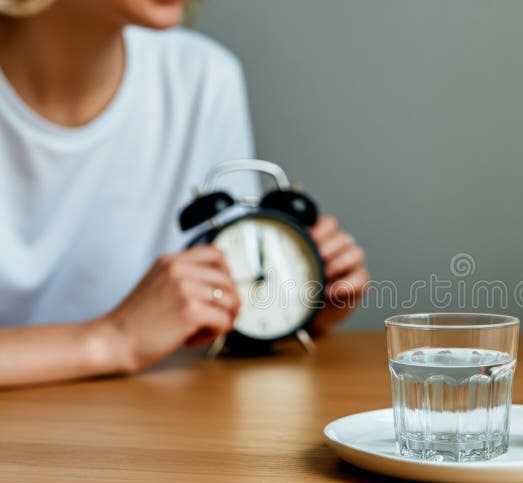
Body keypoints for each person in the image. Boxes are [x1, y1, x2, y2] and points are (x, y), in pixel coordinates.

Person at [0, 0, 369, 387]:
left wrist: (286, 305)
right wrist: (112, 339)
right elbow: (127, 338)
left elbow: (221, 312)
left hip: (139, 424)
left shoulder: (202, 79)